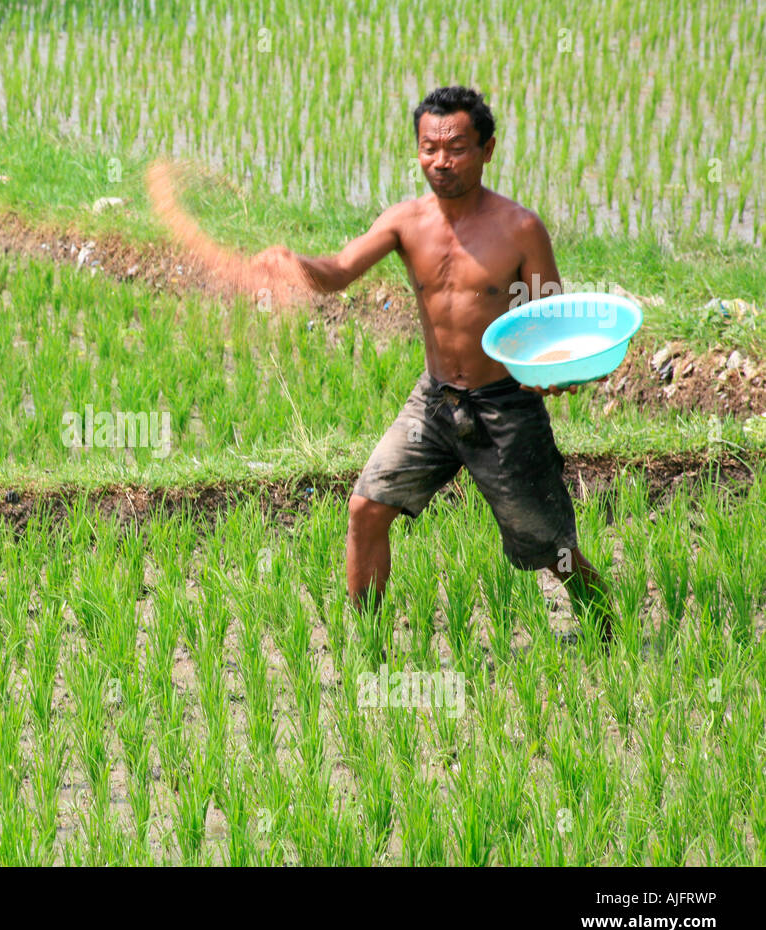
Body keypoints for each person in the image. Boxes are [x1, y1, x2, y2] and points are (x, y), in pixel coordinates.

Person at [249, 85, 616, 643]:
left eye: (456, 147)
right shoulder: (405, 222)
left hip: (504, 409)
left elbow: (549, 319)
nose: (440, 162)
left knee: (546, 547)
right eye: (428, 148)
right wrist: (294, 265)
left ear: (487, 149)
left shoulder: (519, 229)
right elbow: (340, 270)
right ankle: (364, 641)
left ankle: (607, 620)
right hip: (435, 401)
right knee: (366, 508)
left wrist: (556, 372)